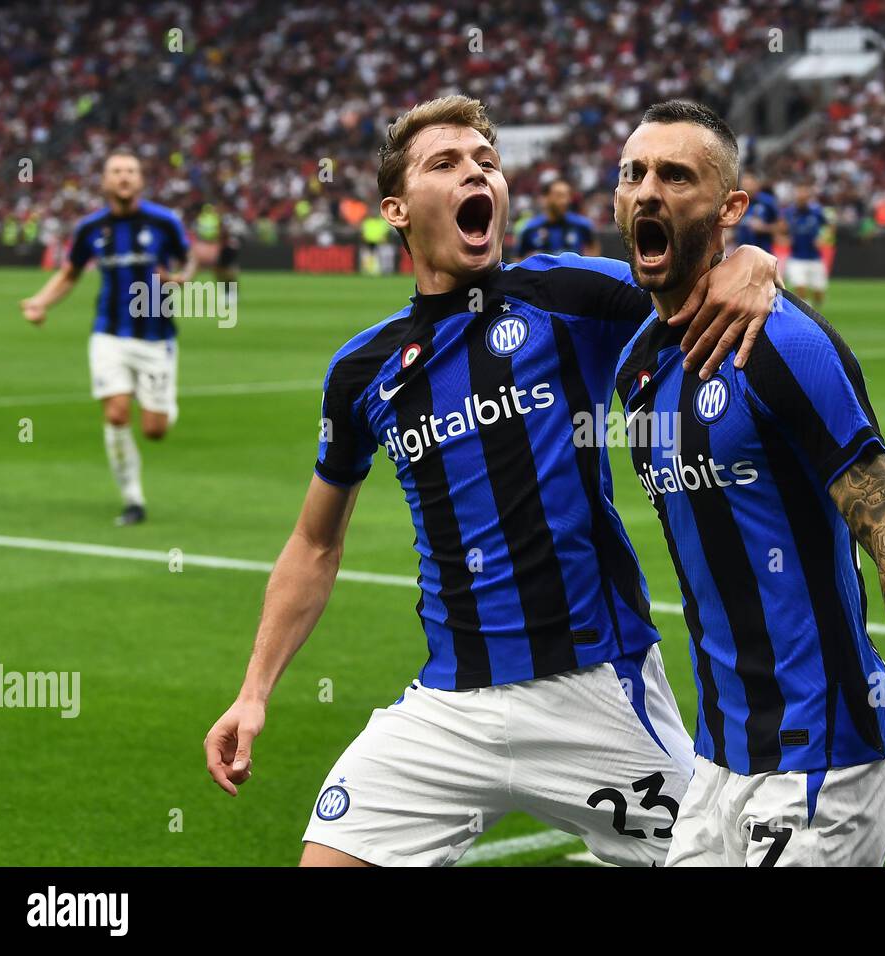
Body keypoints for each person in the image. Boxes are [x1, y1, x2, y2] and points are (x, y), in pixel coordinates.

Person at [202, 95, 782, 867]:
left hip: (595, 692)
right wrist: (253, 692)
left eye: (488, 162)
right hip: (450, 706)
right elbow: (314, 544)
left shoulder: (567, 297)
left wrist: (750, 261)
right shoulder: (362, 373)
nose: (477, 172)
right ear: (397, 210)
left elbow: (686, 280)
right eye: (446, 163)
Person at [613, 100, 885, 866]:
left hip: (827, 756)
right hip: (720, 760)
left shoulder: (785, 344)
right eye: (634, 173)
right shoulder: (638, 365)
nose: (648, 190)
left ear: (730, 207)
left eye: (676, 174)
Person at [20, 148, 192, 525]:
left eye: (131, 170)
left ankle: (162, 405)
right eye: (117, 171)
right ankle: (133, 500)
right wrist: (41, 302)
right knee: (115, 413)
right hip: (109, 334)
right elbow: (70, 273)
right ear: (104, 180)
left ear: (141, 179)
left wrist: (182, 278)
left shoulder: (164, 222)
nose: (124, 177)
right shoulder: (90, 228)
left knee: (155, 430)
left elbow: (188, 258)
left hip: (155, 335)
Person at [514, 177, 599, 258]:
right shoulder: (530, 228)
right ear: (545, 198)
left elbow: (593, 247)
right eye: (559, 196)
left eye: (567, 196)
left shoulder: (582, 225)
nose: (564, 201)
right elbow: (518, 257)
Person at [782, 183, 830, 310]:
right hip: (796, 257)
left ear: (808, 197)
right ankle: (808, 314)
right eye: (799, 194)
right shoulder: (789, 212)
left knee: (818, 293)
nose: (801, 197)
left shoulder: (817, 211)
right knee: (800, 287)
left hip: (814, 258)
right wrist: (783, 238)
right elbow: (781, 228)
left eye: (804, 194)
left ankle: (814, 310)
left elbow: (829, 226)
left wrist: (823, 238)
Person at [733, 171, 778, 252]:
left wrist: (764, 228)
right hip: (741, 253)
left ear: (757, 184)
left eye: (750, 184)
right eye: (745, 184)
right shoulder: (737, 202)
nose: (747, 187)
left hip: (763, 252)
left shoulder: (768, 201)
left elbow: (782, 227)